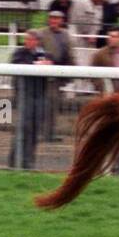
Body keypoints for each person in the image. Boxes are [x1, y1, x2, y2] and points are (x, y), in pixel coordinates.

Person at [9, 30, 51, 169]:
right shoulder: (19, 53)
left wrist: (48, 65)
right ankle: (14, 159)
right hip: (24, 96)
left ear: (37, 41)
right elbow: (15, 65)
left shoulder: (43, 53)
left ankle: (29, 161)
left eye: (31, 39)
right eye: (27, 39)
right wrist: (35, 65)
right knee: (23, 128)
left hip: (39, 97)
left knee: (34, 130)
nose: (28, 42)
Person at [36, 10, 74, 140]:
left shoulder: (65, 35)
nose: (54, 21)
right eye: (52, 18)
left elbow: (70, 54)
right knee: (44, 103)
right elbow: (37, 51)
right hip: (44, 75)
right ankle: (41, 132)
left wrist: (72, 70)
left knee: (54, 104)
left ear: (61, 20)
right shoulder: (41, 33)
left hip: (59, 75)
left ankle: (50, 132)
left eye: (57, 19)